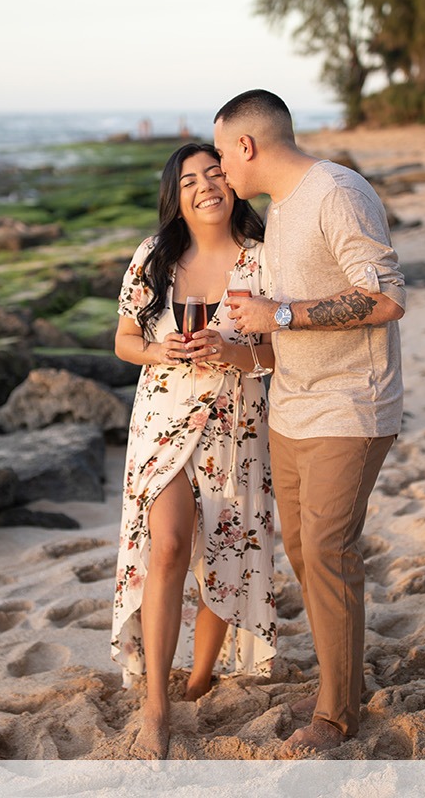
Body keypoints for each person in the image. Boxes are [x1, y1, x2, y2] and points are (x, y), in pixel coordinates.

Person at [217, 89, 405, 757]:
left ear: (246, 145)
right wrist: (243, 339)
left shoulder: (337, 191)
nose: (220, 171)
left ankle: (336, 716)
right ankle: (341, 684)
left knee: (328, 551)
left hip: (352, 404)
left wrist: (284, 314)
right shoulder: (278, 209)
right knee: (303, 551)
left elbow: (384, 298)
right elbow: (276, 325)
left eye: (221, 153)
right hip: (292, 406)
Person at [111, 142, 279, 759]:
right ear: (175, 199)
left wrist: (238, 354)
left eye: (215, 172)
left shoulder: (264, 262)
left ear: (233, 182)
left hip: (236, 421)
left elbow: (283, 353)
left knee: (225, 549)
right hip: (163, 416)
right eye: (189, 181)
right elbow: (126, 340)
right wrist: (161, 351)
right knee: (173, 541)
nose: (205, 185)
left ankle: (201, 679)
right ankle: (157, 703)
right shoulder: (153, 258)